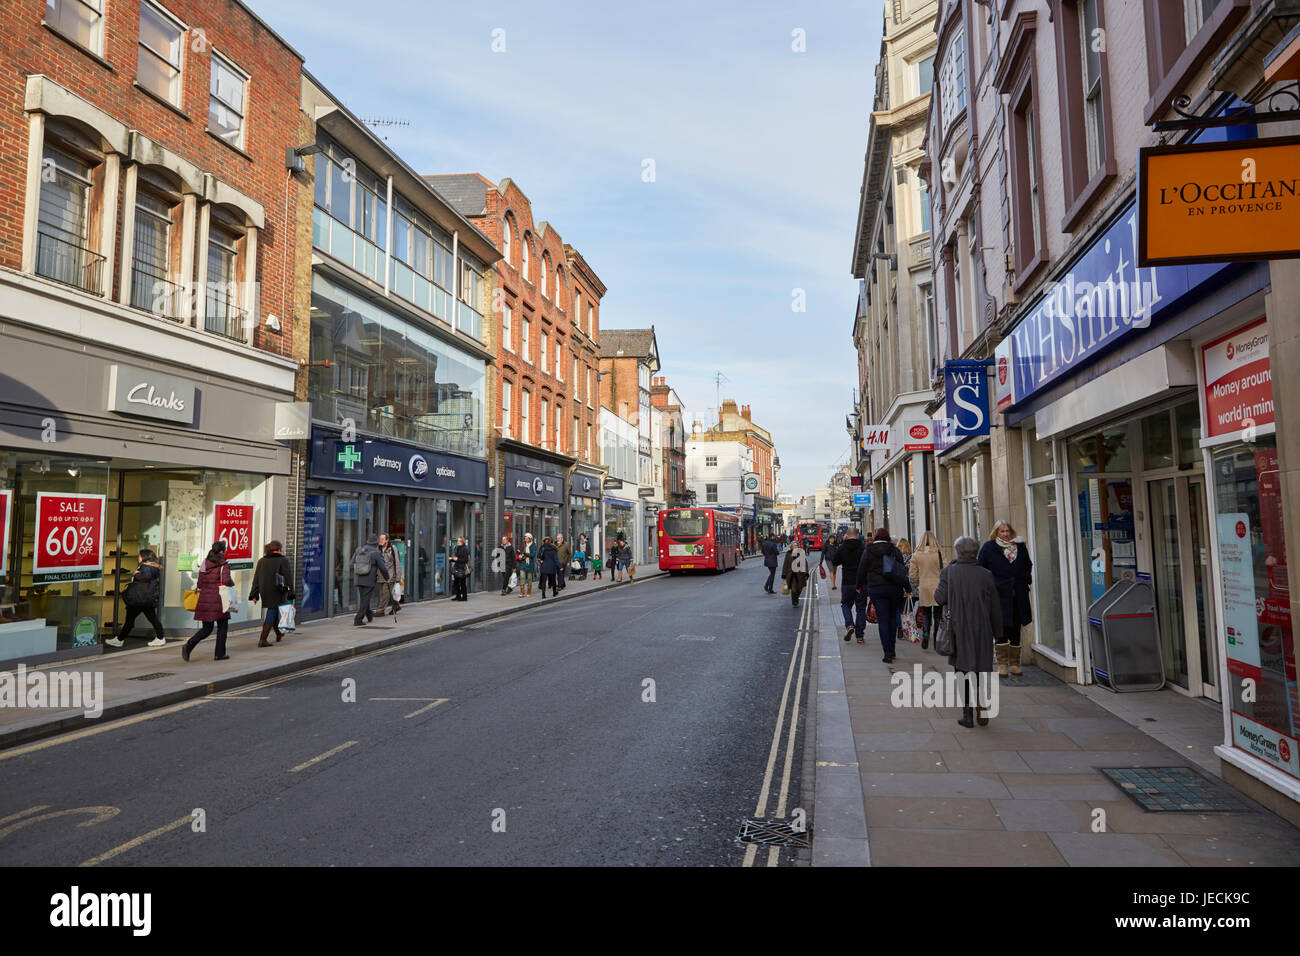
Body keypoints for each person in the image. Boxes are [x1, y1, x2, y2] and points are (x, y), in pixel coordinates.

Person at [935, 536, 1001, 727]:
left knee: (962, 670)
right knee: (979, 668)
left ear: (958, 552)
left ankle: (967, 714)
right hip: (982, 628)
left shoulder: (949, 572)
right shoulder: (986, 574)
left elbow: (939, 598)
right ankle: (980, 702)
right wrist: (998, 632)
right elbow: (995, 606)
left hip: (958, 628)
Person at [978, 520, 1033, 676]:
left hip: (1018, 594)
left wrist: (1025, 579)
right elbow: (981, 568)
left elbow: (1028, 565)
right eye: (1002, 531)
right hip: (998, 596)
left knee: (1016, 627)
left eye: (1008, 531)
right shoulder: (989, 548)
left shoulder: (1020, 547)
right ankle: (1002, 664)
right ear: (996, 533)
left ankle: (1015, 663)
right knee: (1001, 628)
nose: (1006, 534)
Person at [857, 527, 912, 663]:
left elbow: (862, 569)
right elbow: (901, 571)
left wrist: (859, 585)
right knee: (893, 618)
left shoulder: (868, 550)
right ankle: (892, 650)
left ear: (876, 537)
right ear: (888, 537)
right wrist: (908, 587)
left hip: (876, 588)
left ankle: (887, 653)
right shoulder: (895, 550)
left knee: (883, 619)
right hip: (894, 588)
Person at [183, 541, 235, 661]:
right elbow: (226, 580)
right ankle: (219, 654)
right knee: (222, 626)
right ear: (221, 551)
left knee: (207, 628)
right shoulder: (223, 564)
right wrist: (232, 583)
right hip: (219, 598)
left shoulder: (204, 564)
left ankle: (189, 644)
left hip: (205, 598)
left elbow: (200, 583)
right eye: (224, 550)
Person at [110, 549, 166, 648]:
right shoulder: (153, 566)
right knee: (148, 618)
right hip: (145, 598)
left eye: (139, 555)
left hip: (140, 598)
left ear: (144, 557)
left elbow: (145, 576)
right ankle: (120, 639)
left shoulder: (146, 566)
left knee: (132, 619)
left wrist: (136, 574)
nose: (138, 557)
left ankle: (120, 640)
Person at [249, 540, 294, 647]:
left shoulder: (262, 561)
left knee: (273, 610)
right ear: (279, 549)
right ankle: (263, 639)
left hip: (265, 591)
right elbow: (288, 577)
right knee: (272, 611)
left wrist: (254, 594)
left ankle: (279, 634)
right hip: (278, 590)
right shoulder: (282, 560)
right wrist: (291, 592)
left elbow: (256, 578)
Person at [909, 531, 944, 650]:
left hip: (924, 587)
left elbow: (912, 574)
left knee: (925, 613)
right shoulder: (939, 553)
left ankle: (925, 634)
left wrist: (920, 582)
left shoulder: (916, 555)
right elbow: (946, 569)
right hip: (938, 587)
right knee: (938, 615)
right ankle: (936, 639)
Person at [833, 528, 865, 643]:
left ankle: (850, 625)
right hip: (860, 582)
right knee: (861, 608)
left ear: (847, 535)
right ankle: (860, 635)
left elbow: (834, 562)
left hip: (847, 582)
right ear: (857, 535)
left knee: (846, 605)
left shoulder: (842, 548)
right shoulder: (862, 548)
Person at [351, 534, 390, 626]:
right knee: (365, 600)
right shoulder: (376, 552)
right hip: (369, 579)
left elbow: (352, 563)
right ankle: (358, 619)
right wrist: (387, 578)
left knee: (365, 599)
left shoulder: (359, 550)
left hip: (358, 578)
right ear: (376, 543)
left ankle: (369, 615)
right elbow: (383, 567)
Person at [374, 532, 404, 618]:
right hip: (380, 576)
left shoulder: (393, 549)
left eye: (382, 539)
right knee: (389, 593)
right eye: (380, 539)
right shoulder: (378, 549)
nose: (381, 541)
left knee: (385, 594)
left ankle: (380, 611)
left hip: (390, 576)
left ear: (387, 540)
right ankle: (396, 606)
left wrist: (398, 578)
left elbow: (397, 563)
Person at [781, 540, 809, 608]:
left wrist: (806, 573)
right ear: (791, 547)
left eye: (796, 545)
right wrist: (784, 574)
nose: (795, 547)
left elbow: (805, 564)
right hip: (791, 575)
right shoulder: (788, 554)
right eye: (793, 546)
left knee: (799, 589)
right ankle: (795, 602)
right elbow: (785, 564)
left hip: (800, 574)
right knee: (793, 590)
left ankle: (796, 598)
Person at [451, 536, 470, 601]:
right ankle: (458, 596)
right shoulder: (456, 548)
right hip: (457, 567)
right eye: (457, 541)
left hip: (462, 568)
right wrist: (452, 559)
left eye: (459, 541)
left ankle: (464, 597)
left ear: (462, 541)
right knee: (455, 583)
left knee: (462, 583)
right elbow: (456, 558)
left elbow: (465, 559)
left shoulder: (465, 549)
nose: (457, 542)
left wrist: (457, 559)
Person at [517, 533, 536, 598]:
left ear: (530, 539)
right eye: (525, 538)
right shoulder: (523, 544)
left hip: (530, 564)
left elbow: (533, 555)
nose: (525, 539)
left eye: (526, 538)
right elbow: (519, 552)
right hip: (523, 563)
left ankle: (528, 592)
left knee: (529, 578)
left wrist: (526, 554)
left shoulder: (534, 545)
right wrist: (520, 554)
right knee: (522, 577)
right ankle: (522, 592)